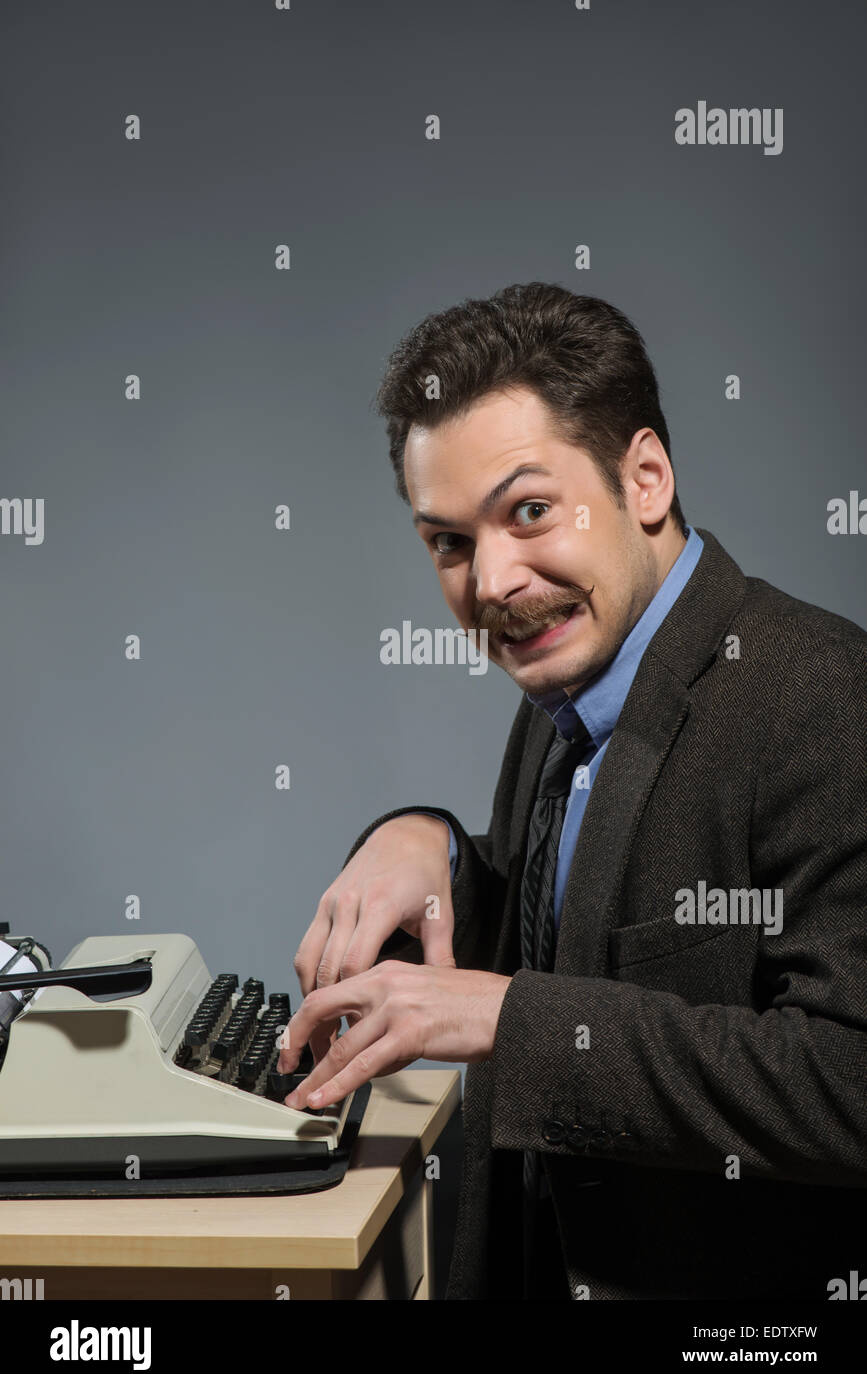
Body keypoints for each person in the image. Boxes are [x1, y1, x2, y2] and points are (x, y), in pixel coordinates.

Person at [277, 283, 867, 1299]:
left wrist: (513, 1023)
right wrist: (432, 844)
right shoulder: (569, 681)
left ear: (644, 479)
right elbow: (577, 930)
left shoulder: (823, 696)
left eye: (531, 511)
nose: (493, 581)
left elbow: (847, 1081)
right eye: (450, 542)